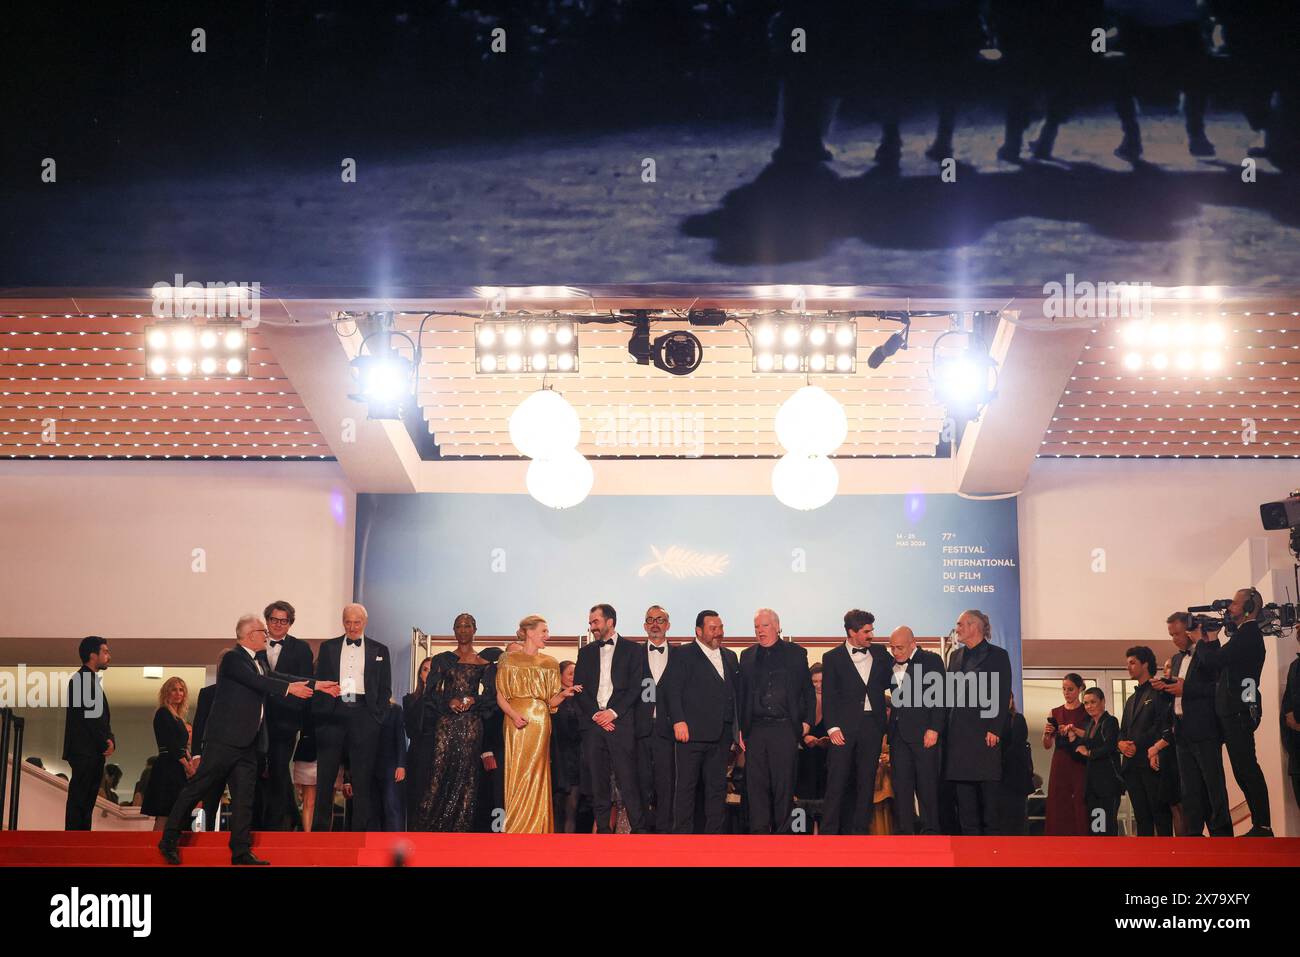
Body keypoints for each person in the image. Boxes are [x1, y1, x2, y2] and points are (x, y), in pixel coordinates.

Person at [158, 615, 339, 865]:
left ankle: (241, 851)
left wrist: (316, 684)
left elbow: (279, 677)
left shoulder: (259, 660)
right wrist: (289, 690)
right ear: (249, 635)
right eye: (263, 631)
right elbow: (259, 682)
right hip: (224, 741)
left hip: (249, 743)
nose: (267, 634)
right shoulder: (233, 658)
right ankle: (168, 839)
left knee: (244, 798)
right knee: (197, 788)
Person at [1196, 587, 1272, 835]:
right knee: (1243, 770)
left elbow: (1213, 661)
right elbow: (1220, 665)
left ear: (1249, 608)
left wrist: (1206, 640)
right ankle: (1260, 825)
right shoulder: (1243, 635)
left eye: (1235, 604)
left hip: (1239, 710)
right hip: (1234, 710)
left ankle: (1263, 826)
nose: (1229, 609)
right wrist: (1212, 641)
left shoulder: (1248, 635)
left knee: (1247, 768)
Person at [311, 603, 392, 832]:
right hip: (333, 713)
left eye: (357, 622)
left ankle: (358, 833)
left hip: (365, 714)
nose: (352, 627)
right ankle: (318, 833)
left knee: (362, 778)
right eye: (348, 622)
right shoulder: (328, 648)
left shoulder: (380, 650)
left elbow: (385, 688)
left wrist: (377, 716)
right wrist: (323, 711)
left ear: (364, 623)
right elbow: (319, 681)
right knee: (325, 778)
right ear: (343, 621)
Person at [496, 615, 581, 833]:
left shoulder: (550, 663)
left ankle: (538, 827)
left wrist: (565, 694)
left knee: (537, 771)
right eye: (544, 631)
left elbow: (550, 701)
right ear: (530, 632)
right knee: (517, 771)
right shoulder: (507, 660)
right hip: (514, 720)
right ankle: (515, 826)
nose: (547, 636)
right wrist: (514, 716)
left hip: (541, 722)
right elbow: (501, 696)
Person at [1106, 0, 1215, 161]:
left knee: (1115, 65)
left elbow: (1114, 7)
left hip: (1144, 34)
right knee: (1196, 69)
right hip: (1181, 33)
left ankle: (1131, 136)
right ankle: (1197, 134)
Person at [737, 608, 815, 834]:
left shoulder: (797, 653)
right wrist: (741, 729)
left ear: (777, 626)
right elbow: (742, 695)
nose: (760, 631)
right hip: (756, 729)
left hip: (784, 728)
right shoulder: (747, 656)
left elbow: (808, 692)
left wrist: (807, 722)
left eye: (765, 626)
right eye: (756, 627)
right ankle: (759, 838)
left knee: (784, 786)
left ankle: (783, 838)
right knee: (756, 787)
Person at [665, 610, 741, 834]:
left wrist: (735, 731)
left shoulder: (730, 656)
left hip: (721, 735)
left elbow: (734, 695)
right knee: (686, 789)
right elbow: (672, 690)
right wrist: (678, 721)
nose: (719, 632)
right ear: (698, 631)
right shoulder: (683, 654)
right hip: (691, 734)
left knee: (717, 789)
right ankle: (682, 839)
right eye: (713, 628)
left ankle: (714, 839)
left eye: (721, 627)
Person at [821, 609, 893, 835]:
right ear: (851, 632)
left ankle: (860, 832)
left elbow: (896, 682)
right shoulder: (832, 658)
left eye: (872, 630)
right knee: (837, 781)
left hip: (872, 726)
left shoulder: (881, 653)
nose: (871, 635)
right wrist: (832, 727)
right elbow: (829, 694)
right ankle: (829, 832)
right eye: (866, 631)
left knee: (866, 781)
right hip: (842, 729)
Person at [415, 619, 492, 832]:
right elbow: (429, 694)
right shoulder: (442, 659)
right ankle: (428, 830)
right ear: (454, 630)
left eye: (468, 626)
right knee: (438, 773)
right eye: (459, 626)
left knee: (467, 777)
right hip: (446, 723)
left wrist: (474, 700)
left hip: (471, 725)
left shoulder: (484, 663)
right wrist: (449, 701)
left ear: (475, 630)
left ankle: (461, 830)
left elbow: (491, 696)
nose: (463, 630)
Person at [574, 603, 645, 832]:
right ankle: (603, 832)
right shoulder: (585, 652)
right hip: (594, 725)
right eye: (591, 622)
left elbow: (637, 688)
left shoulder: (634, 650)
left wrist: (612, 713)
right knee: (598, 782)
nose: (592, 626)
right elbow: (580, 689)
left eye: (595, 621)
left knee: (628, 780)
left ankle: (639, 831)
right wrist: (596, 714)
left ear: (610, 622)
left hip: (621, 724)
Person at [1159, 612, 1231, 836]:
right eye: (1171, 635)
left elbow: (1219, 689)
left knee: (1213, 784)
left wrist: (1184, 689)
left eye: (1178, 634)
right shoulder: (1178, 659)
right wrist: (1166, 685)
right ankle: (1193, 834)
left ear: (1190, 630)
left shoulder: (1209, 652)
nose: (1175, 639)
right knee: (1188, 788)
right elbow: (1180, 690)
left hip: (1205, 728)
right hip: (1181, 729)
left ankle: (1221, 833)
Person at [944, 609, 1014, 835]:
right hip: (958, 740)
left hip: (985, 739)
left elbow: (1002, 694)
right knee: (965, 811)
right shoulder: (954, 657)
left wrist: (995, 728)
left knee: (990, 810)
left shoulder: (998, 655)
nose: (957, 629)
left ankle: (992, 856)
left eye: (960, 624)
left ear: (974, 626)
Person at [258, 599, 314, 830]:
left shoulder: (301, 649)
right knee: (259, 771)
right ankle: (272, 821)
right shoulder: (256, 646)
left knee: (280, 769)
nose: (278, 624)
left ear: (290, 624)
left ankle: (278, 826)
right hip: (257, 721)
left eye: (284, 620)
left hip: (286, 722)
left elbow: (306, 685)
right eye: (274, 619)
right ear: (267, 621)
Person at [886, 625, 946, 835]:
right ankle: (904, 833)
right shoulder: (890, 663)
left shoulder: (931, 660)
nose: (895, 652)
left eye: (900, 647)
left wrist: (934, 728)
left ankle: (931, 831)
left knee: (927, 786)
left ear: (913, 643)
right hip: (898, 735)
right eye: (892, 648)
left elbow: (940, 697)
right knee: (901, 786)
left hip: (924, 735)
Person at [1118, 645, 1174, 836]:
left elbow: (1161, 725)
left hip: (1151, 762)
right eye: (1127, 664)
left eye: (1132, 663)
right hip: (1131, 766)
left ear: (1145, 664)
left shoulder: (1159, 692)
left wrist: (1136, 744)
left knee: (1160, 814)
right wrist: (1121, 745)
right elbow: (1122, 731)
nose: (1129, 667)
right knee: (1141, 818)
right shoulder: (1131, 699)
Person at [63, 635, 114, 830]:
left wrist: (109, 739)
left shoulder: (88, 679)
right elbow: (90, 718)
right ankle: (75, 842)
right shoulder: (82, 679)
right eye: (105, 651)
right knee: (80, 799)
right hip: (85, 751)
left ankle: (80, 840)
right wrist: (105, 742)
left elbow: (99, 717)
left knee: (86, 800)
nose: (109, 656)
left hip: (90, 750)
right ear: (93, 655)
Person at [635, 604, 677, 833]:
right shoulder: (632, 654)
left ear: (667, 625)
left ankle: (665, 831)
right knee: (641, 781)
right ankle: (642, 831)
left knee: (666, 782)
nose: (655, 624)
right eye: (650, 620)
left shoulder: (681, 655)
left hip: (669, 729)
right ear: (644, 626)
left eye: (659, 620)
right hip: (640, 729)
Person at [141, 677, 198, 829]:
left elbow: (182, 746)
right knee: (165, 811)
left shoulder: (178, 717)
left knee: (175, 811)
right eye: (174, 689)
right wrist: (187, 766)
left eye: (181, 690)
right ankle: (155, 847)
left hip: (177, 766)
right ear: (167, 692)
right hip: (168, 766)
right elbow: (172, 744)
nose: (178, 693)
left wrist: (188, 761)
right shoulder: (163, 713)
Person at [1070, 687, 1122, 836]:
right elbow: (1081, 754)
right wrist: (1074, 741)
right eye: (1086, 703)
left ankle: (1110, 857)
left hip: (1108, 784)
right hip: (1093, 786)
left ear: (1103, 702)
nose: (1089, 706)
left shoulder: (1110, 721)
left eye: (1093, 702)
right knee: (1096, 828)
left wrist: (1089, 752)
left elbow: (1110, 746)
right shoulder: (1090, 725)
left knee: (1107, 828)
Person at [1042, 673, 1089, 835]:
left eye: (1070, 689)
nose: (1066, 693)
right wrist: (1047, 733)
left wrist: (1073, 730)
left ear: (1079, 689)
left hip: (1078, 761)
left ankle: (1081, 839)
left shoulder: (1086, 711)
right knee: (1058, 800)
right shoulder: (1054, 712)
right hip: (1060, 761)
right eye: (1064, 689)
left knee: (1078, 801)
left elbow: (1090, 736)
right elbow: (1047, 745)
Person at [403, 655, 435, 829]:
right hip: (417, 753)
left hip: (438, 752)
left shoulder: (444, 700)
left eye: (432, 670)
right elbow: (411, 730)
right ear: (419, 674)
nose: (428, 673)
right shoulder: (410, 700)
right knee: (416, 797)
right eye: (425, 669)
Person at [552, 660, 584, 832]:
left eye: (575, 673)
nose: (574, 677)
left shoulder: (583, 697)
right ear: (560, 675)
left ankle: (568, 847)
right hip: (558, 757)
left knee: (573, 807)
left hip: (577, 758)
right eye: (570, 673)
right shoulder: (553, 697)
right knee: (557, 807)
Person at [796, 663, 830, 814]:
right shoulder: (800, 701)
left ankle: (823, 835)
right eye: (815, 681)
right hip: (803, 756)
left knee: (826, 798)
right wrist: (803, 737)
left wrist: (827, 740)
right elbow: (792, 725)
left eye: (822, 681)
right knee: (802, 800)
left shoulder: (835, 702)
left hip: (827, 759)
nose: (818, 685)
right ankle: (802, 835)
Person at [999, 694, 1033, 835]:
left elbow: (1017, 744)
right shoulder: (993, 720)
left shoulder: (1017, 719)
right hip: (1000, 778)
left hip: (1014, 777)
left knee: (1016, 818)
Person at [371, 699, 407, 831]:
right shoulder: (365, 709)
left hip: (391, 765)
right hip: (369, 765)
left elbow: (400, 738)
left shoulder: (395, 710)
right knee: (373, 809)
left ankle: (396, 842)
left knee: (392, 806)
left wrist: (401, 765)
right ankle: (374, 844)